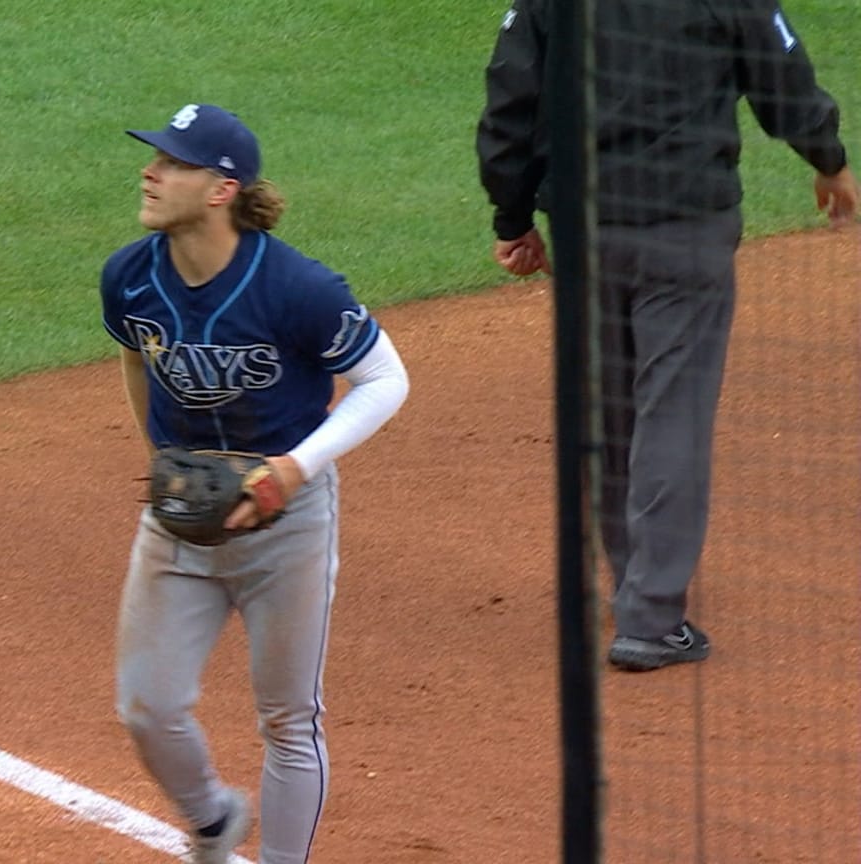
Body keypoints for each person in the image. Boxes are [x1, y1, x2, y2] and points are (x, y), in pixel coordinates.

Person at [476, 0, 859, 671]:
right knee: (671, 410)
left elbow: (513, 97)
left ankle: (633, 588)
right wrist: (826, 157)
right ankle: (650, 617)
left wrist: (512, 216)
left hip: (586, 227)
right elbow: (781, 71)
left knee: (613, 411)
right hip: (686, 229)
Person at [100, 103, 410, 863]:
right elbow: (137, 355)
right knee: (147, 706)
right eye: (155, 157)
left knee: (288, 720)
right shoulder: (129, 278)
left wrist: (293, 468)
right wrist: (161, 454)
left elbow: (384, 378)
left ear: (220, 189)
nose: (150, 170)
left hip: (289, 526)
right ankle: (211, 819)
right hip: (178, 523)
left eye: (172, 162)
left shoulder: (297, 287)